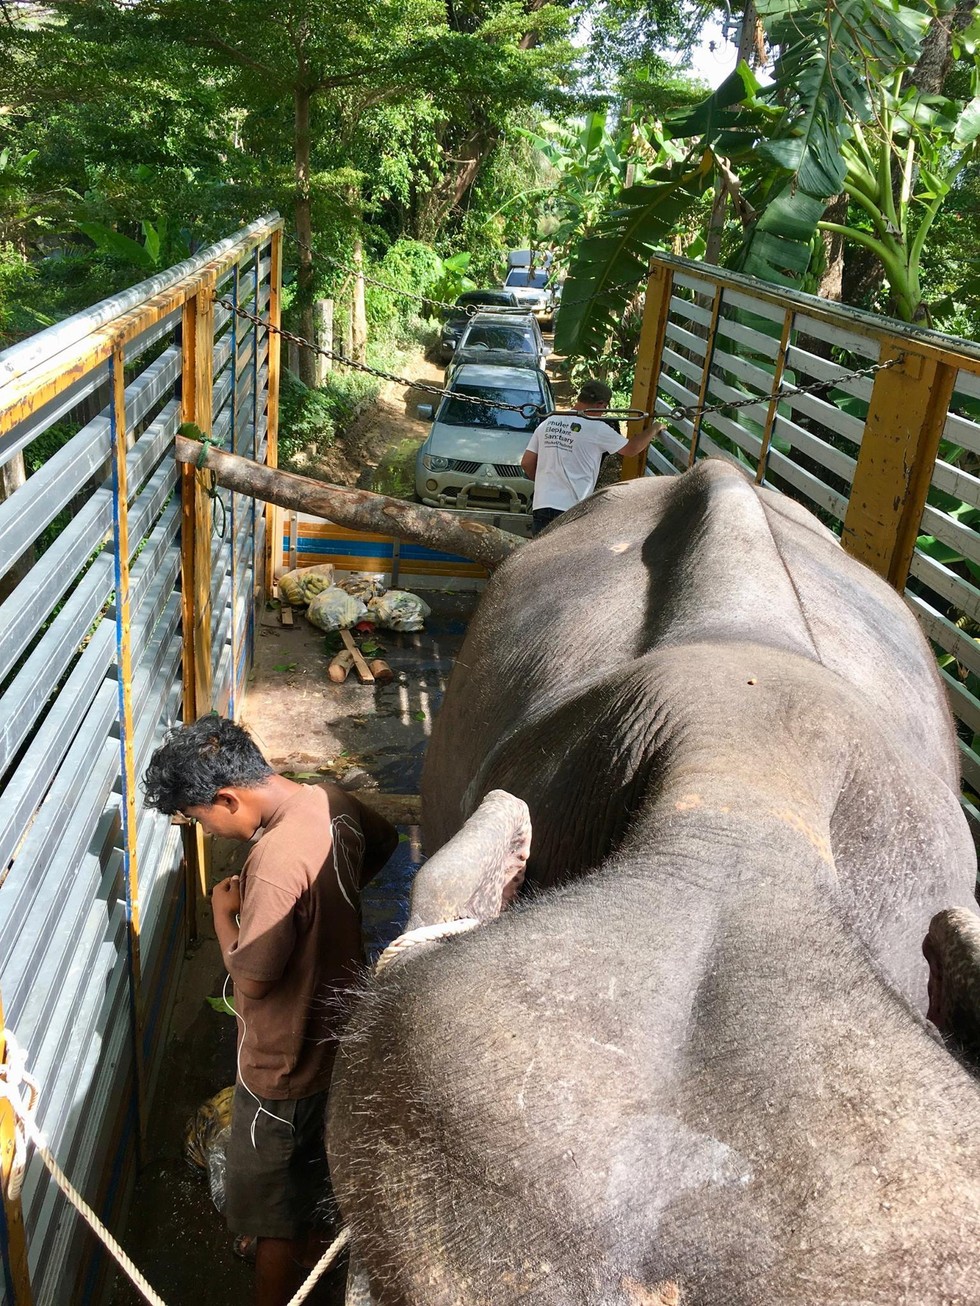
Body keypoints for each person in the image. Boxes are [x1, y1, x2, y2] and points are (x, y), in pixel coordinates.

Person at [143, 716, 398, 1306]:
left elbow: (252, 981)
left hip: (283, 1064)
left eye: (200, 818)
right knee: (315, 1162)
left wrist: (224, 914)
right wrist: (325, 918)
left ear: (228, 797)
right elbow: (381, 846)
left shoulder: (275, 864)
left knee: (270, 1207)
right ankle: (312, 1244)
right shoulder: (331, 801)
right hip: (341, 1031)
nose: (206, 831)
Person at [520, 379, 662, 536]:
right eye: (604, 408)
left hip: (542, 504)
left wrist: (543, 484)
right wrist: (654, 429)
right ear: (601, 404)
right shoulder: (597, 428)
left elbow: (526, 462)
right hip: (571, 510)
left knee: (539, 558)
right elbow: (632, 449)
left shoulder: (549, 422)